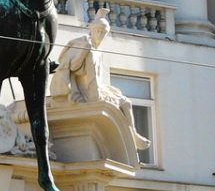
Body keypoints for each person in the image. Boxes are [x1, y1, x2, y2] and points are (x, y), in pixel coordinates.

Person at [50, 8, 150, 152]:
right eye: (98, 31)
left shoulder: (98, 52)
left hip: (97, 86)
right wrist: (84, 51)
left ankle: (132, 134)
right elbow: (72, 66)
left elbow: (97, 77)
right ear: (92, 30)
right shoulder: (83, 45)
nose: (101, 35)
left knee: (126, 102)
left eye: (104, 33)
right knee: (121, 103)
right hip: (86, 89)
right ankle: (132, 136)